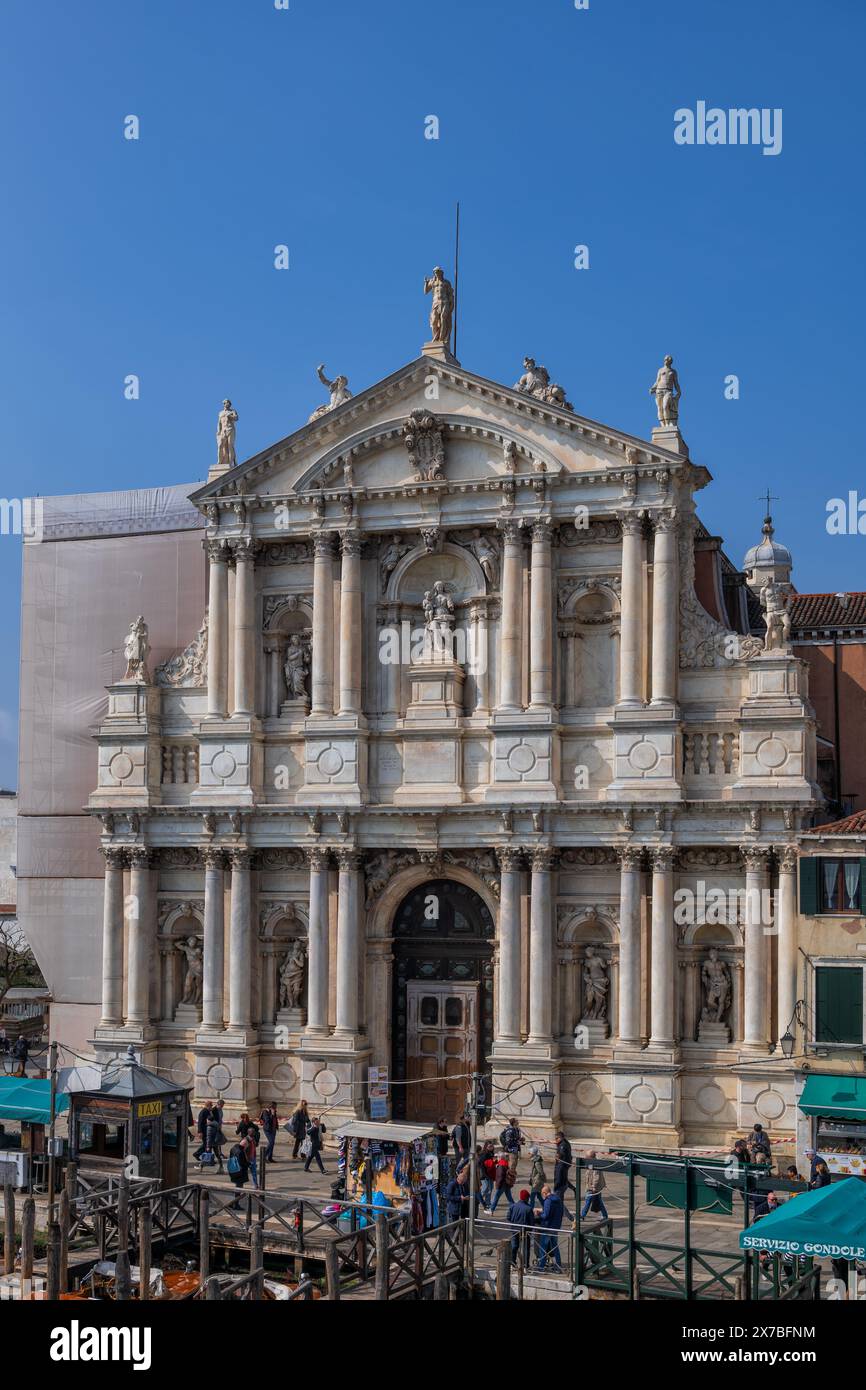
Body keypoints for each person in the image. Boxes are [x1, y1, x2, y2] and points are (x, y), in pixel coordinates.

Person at [536, 1184, 564, 1271]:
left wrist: (539, 1214)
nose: (542, 1196)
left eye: (542, 1194)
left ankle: (541, 1266)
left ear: (545, 1193)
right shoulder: (558, 1199)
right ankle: (558, 1265)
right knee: (555, 1246)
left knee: (543, 1247)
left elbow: (546, 1215)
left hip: (548, 1227)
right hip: (555, 1226)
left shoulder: (548, 1201)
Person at [509, 1189, 535, 1268]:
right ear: (526, 1198)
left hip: (514, 1230)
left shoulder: (513, 1206)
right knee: (526, 1248)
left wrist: (514, 1222)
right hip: (525, 1231)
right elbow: (532, 1222)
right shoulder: (528, 1208)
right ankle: (525, 1265)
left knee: (514, 1246)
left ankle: (512, 1262)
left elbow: (508, 1217)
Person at [580, 1151, 608, 1221]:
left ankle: (582, 1215)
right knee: (599, 1202)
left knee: (588, 1201)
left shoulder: (595, 1164)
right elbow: (589, 1170)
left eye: (587, 1157)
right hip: (593, 1186)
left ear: (591, 1157)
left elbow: (596, 1177)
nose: (585, 1158)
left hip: (594, 1187)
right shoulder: (592, 1162)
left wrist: (593, 1187)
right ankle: (605, 1216)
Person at [553, 1131, 576, 1218]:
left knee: (559, 1202)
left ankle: (571, 1218)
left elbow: (558, 1175)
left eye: (557, 1138)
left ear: (561, 1137)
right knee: (560, 1201)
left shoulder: (563, 1145)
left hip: (560, 1185)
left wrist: (556, 1186)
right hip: (563, 1181)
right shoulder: (565, 1143)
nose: (555, 1140)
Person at [227, 1137, 250, 1210]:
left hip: (233, 1170)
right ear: (245, 1145)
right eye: (247, 1146)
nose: (247, 1147)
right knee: (239, 1188)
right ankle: (235, 1204)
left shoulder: (233, 1148)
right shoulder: (240, 1152)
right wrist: (249, 1164)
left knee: (237, 1188)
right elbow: (242, 1163)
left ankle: (233, 1203)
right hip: (239, 1172)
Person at [528, 1145, 547, 1211]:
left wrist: (543, 1180)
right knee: (539, 1196)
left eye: (530, 1153)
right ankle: (546, 1207)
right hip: (537, 1181)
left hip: (537, 1182)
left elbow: (541, 1172)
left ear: (533, 1153)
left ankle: (530, 1210)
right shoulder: (535, 1161)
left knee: (532, 1197)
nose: (528, 1154)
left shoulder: (537, 1163)